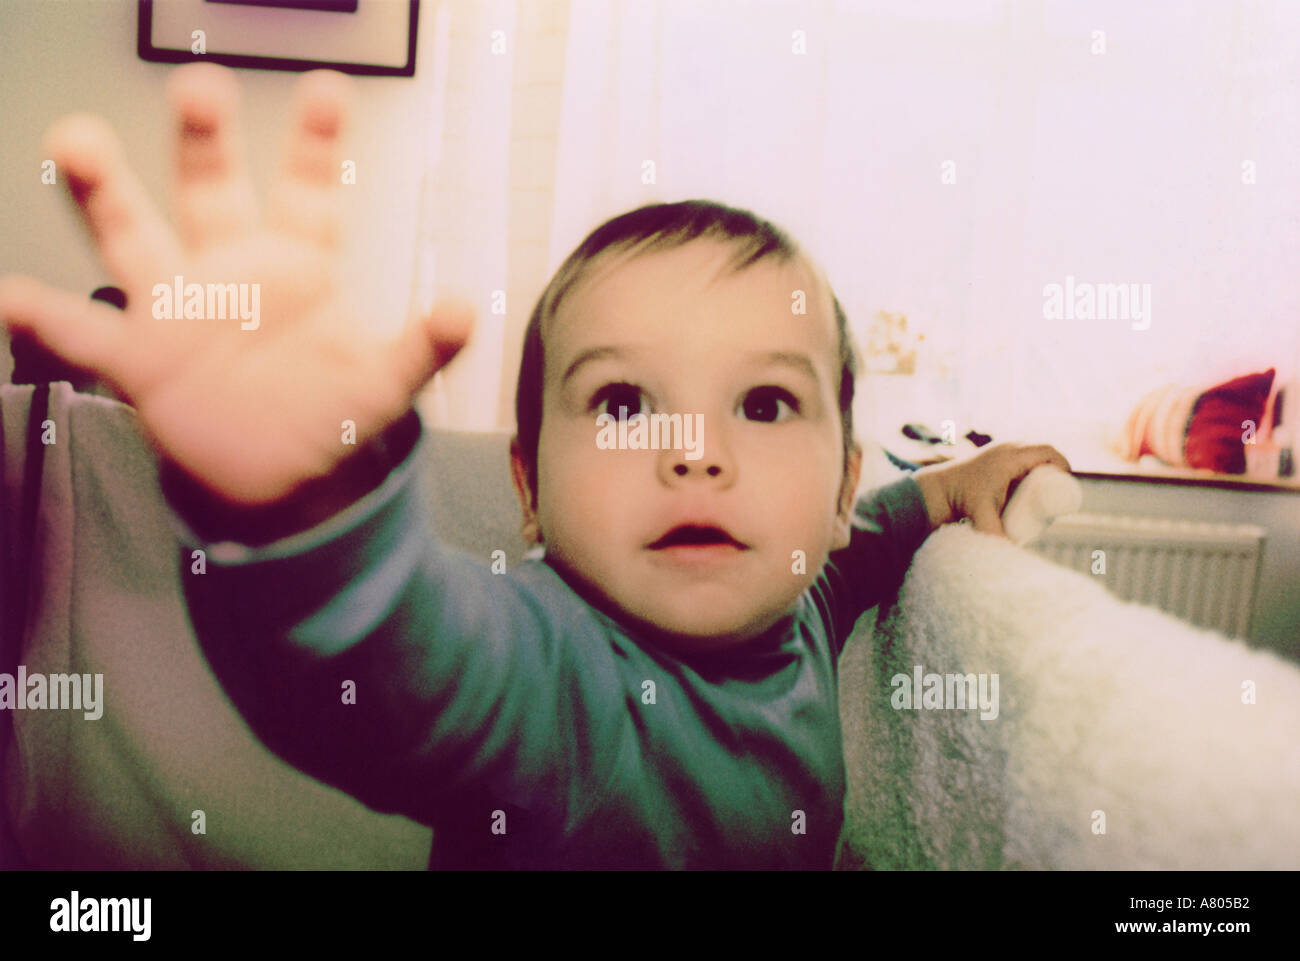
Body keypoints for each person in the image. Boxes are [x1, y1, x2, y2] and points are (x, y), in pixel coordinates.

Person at [0, 63, 1070, 868]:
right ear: (527, 489)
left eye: (763, 403)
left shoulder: (799, 602)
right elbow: (386, 662)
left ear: (833, 490)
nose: (693, 452)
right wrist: (298, 509)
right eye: (621, 402)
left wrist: (946, 490)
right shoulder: (549, 673)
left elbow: (871, 536)